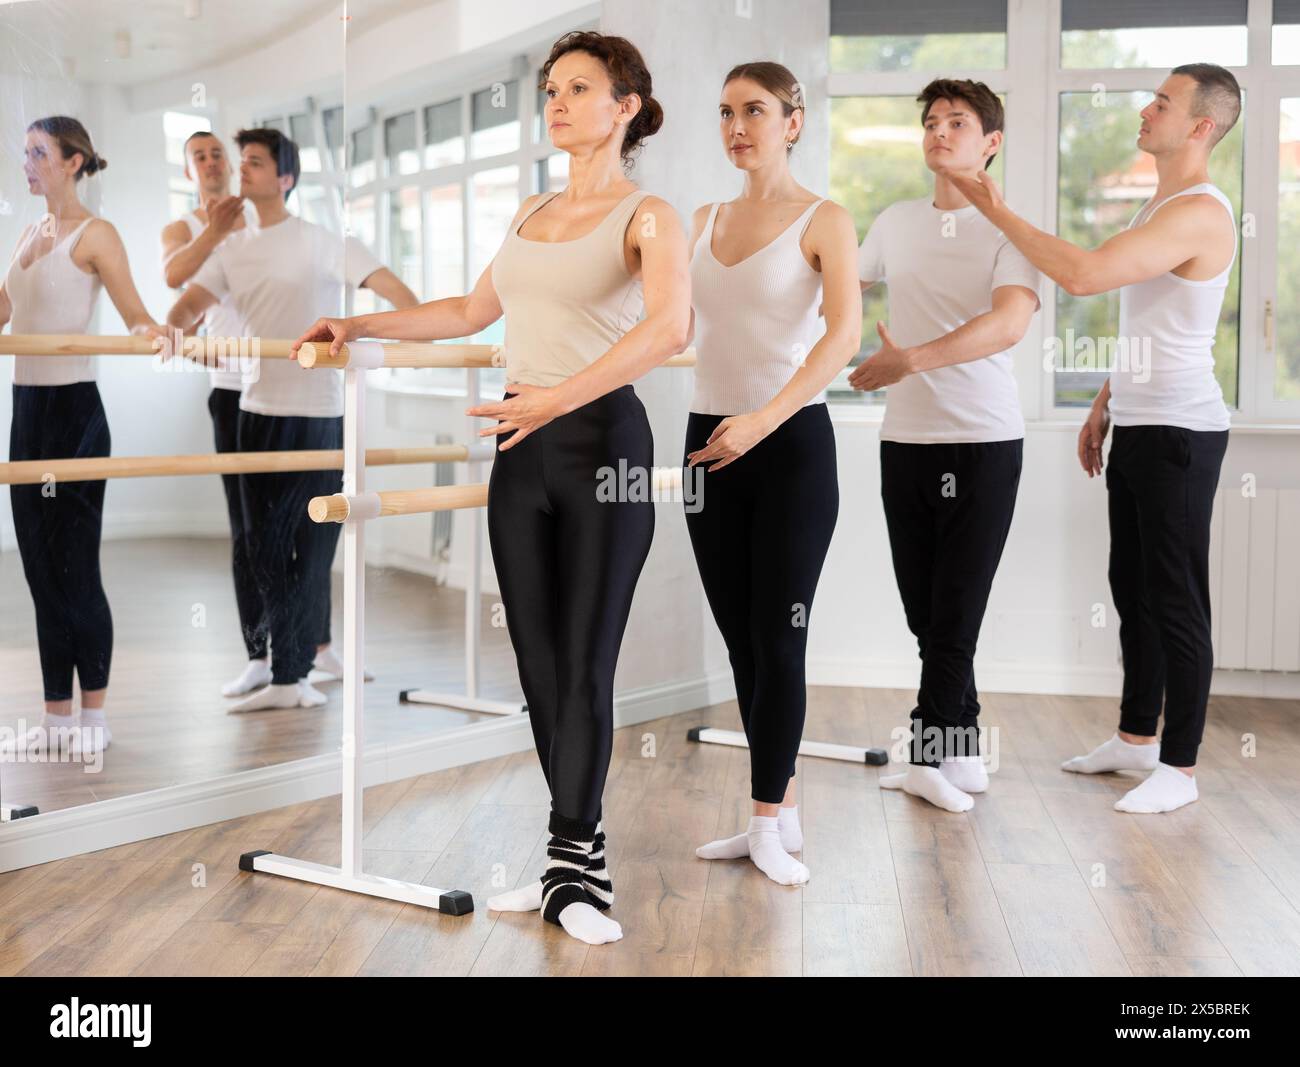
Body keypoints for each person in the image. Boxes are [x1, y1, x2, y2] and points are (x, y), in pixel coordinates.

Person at [293, 31, 690, 945]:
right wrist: (356, 321)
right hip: (522, 447)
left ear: (625, 106)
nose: (555, 101)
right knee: (538, 663)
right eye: (551, 88)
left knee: (587, 659)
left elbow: (670, 327)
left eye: (578, 87)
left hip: (601, 445)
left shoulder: (651, 213)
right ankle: (578, 860)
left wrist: (556, 396)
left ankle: (567, 864)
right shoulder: (528, 210)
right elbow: (471, 313)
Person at [945, 64, 1240, 814]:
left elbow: (1082, 276)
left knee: (1176, 599)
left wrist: (993, 206)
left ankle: (1180, 766)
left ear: (1202, 126)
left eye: (1163, 103)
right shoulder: (1159, 203)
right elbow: (1153, 320)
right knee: (1132, 590)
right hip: (1141, 420)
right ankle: (1137, 737)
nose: (1146, 111)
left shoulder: (1201, 212)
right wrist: (1105, 401)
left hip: (1181, 431)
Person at [166, 128, 416, 713]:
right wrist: (174, 335)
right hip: (255, 413)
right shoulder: (230, 248)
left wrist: (375, 337)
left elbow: (398, 294)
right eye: (242, 160)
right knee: (262, 547)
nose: (241, 169)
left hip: (317, 415)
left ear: (284, 179)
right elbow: (181, 308)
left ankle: (296, 671)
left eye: (254, 162)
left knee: (311, 544)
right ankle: (282, 676)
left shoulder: (322, 241)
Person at [684, 62, 861, 885]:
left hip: (788, 445)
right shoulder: (699, 219)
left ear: (793, 120)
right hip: (706, 444)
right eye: (725, 112)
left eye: (754, 110)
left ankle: (762, 821)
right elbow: (668, 325)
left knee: (779, 635)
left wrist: (763, 416)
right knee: (741, 644)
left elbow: (841, 337)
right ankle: (778, 813)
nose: (736, 126)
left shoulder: (825, 219)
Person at [854, 79, 1041, 812]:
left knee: (956, 611)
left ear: (990, 141)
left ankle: (928, 749)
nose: (939, 132)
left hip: (983, 443)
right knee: (925, 612)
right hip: (906, 440)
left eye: (957, 122)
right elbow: (836, 280)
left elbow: (1008, 324)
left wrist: (912, 359)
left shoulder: (1011, 231)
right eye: (930, 122)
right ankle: (962, 742)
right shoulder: (896, 222)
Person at [0, 116, 168, 757]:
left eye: (39, 152)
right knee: (40, 573)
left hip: (73, 416)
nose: (28, 163)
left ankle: (94, 721)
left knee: (76, 570)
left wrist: (160, 334)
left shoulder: (97, 235)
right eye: (25, 153)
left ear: (74, 162)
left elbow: (135, 316)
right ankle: (56, 720)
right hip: (26, 413)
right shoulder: (28, 233)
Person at [160, 130, 268, 698]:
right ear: (188, 172)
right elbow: (174, 275)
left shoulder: (262, 213)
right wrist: (216, 227)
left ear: (230, 163)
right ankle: (258, 654)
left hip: (280, 382)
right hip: (229, 388)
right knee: (246, 526)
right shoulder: (183, 228)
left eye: (216, 153)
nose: (208, 162)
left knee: (299, 516)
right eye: (197, 157)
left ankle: (315, 645)